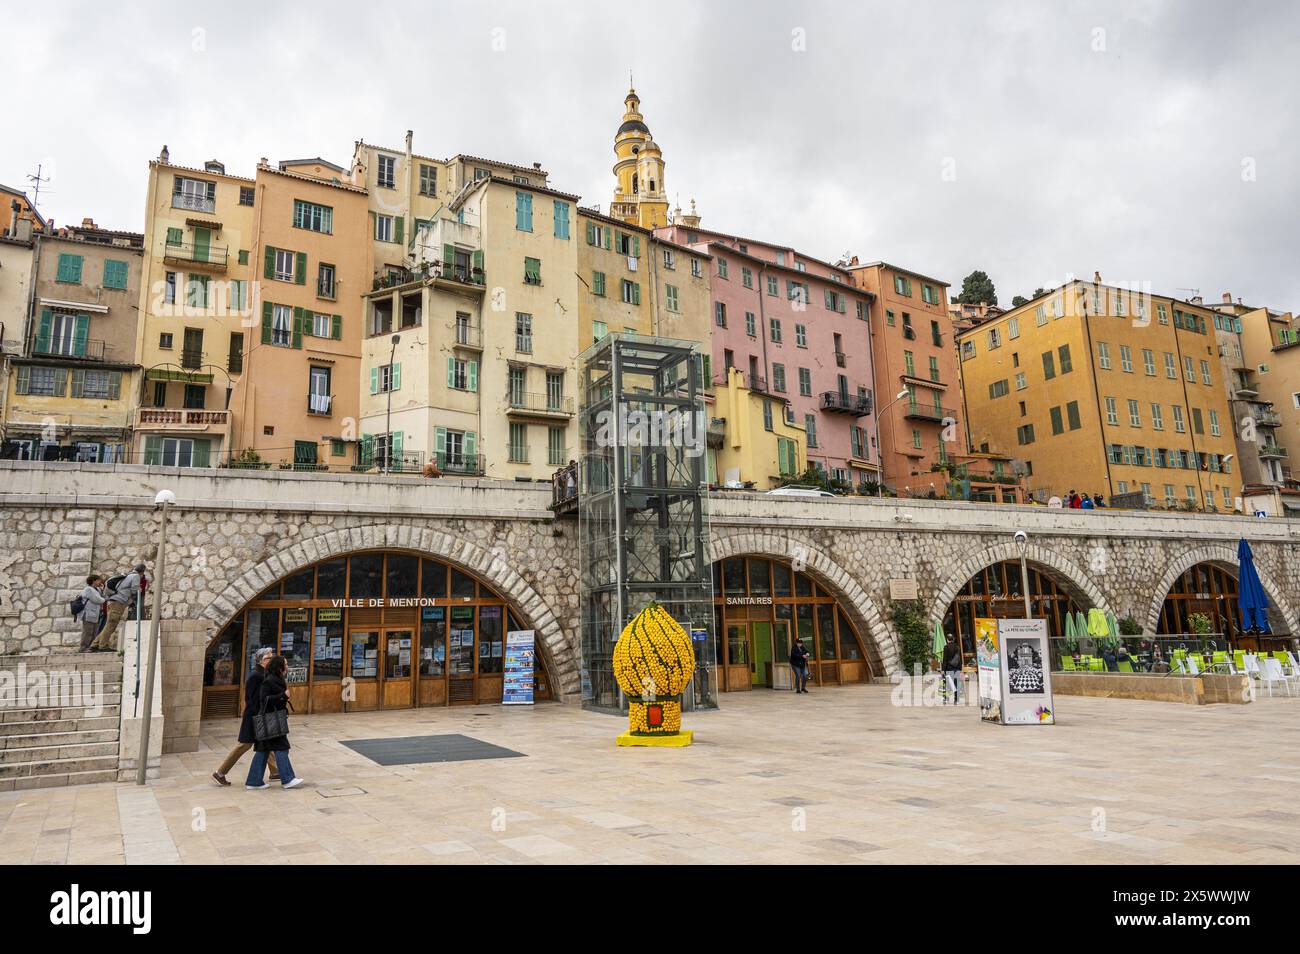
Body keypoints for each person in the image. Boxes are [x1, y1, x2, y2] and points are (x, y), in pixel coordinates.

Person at [212, 647, 278, 786]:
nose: (271, 660)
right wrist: (260, 716)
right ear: (261, 660)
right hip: (253, 717)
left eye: (272, 658)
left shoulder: (265, 674)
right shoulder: (256, 676)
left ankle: (275, 771)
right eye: (268, 658)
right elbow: (252, 699)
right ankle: (220, 773)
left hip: (258, 716)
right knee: (244, 745)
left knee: (267, 743)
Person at [246, 655, 303, 790]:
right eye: (286, 664)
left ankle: (254, 781)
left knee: (263, 750)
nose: (287, 666)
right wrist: (283, 696)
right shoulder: (269, 681)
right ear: (279, 666)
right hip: (272, 720)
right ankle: (288, 779)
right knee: (282, 747)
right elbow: (264, 699)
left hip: (273, 719)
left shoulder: (277, 679)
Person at [90, 562, 146, 653]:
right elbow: (135, 589)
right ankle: (103, 646)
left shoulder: (128, 575)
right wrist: (139, 590)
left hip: (113, 601)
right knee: (111, 625)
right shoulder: (136, 577)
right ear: (143, 572)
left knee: (109, 624)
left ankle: (95, 644)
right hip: (118, 603)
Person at [77, 575, 107, 651]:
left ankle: (91, 647)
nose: (100, 582)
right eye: (99, 580)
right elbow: (97, 600)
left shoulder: (98, 589)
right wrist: (104, 599)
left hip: (95, 614)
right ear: (94, 581)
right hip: (88, 614)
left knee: (94, 632)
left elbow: (104, 596)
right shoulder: (88, 589)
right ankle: (83, 648)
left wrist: (103, 589)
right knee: (87, 632)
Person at [941, 634, 963, 704]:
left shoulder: (946, 647)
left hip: (949, 668)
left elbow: (945, 660)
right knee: (956, 684)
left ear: (947, 640)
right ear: (953, 639)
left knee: (947, 684)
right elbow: (960, 659)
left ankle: (946, 699)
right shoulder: (957, 647)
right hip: (956, 668)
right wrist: (960, 669)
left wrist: (942, 670)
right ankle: (956, 700)